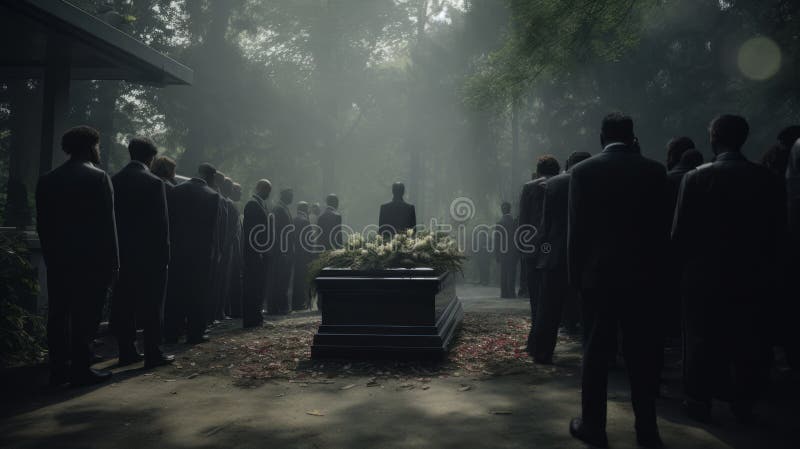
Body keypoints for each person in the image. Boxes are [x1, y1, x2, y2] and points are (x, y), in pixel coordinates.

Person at [673, 115, 786, 424]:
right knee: (749, 338)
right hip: (753, 274)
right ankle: (744, 400)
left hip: (703, 275)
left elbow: (680, 234)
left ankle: (699, 399)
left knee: (700, 338)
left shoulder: (695, 178)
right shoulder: (768, 179)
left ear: (715, 138)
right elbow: (779, 234)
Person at [568, 113, 669, 448]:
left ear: (601, 136)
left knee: (596, 354)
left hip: (597, 278)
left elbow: (576, 234)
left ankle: (594, 426)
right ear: (632, 136)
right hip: (644, 277)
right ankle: (647, 429)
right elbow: (661, 232)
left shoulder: (582, 172)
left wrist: (575, 280)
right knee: (642, 354)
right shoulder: (655, 171)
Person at [36, 126, 118, 386]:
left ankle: (58, 370)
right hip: (91, 261)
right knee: (86, 315)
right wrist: (113, 262)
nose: (99, 150)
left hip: (59, 260)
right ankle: (81, 369)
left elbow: (43, 225)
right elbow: (108, 225)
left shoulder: (47, 179)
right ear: (90, 146)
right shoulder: (98, 177)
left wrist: (51, 256)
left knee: (59, 315)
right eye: (98, 145)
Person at [109, 137, 174, 368]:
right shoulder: (154, 183)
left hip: (123, 255)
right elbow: (161, 225)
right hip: (149, 255)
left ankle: (126, 351)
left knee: (124, 304)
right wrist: (165, 257)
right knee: (152, 306)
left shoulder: (114, 180)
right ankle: (153, 352)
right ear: (151, 157)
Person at [529, 151, 591, 364]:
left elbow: (545, 226)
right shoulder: (596, 181)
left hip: (555, 255)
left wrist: (542, 252)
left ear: (567, 164)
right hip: (589, 256)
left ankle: (542, 352)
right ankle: (598, 355)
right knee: (591, 308)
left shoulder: (554, 184)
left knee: (549, 308)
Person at [164, 163, 221, 344]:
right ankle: (195, 332)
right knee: (198, 293)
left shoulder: (176, 190)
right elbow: (213, 229)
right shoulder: (212, 195)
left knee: (175, 292)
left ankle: (172, 331)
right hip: (200, 253)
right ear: (211, 177)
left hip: (177, 250)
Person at [518, 155, 560, 355]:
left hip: (533, 249)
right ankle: (545, 344)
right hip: (554, 250)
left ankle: (534, 342)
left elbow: (523, 222)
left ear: (538, 169)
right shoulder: (564, 184)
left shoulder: (529, 187)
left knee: (536, 299)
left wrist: (523, 249)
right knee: (551, 299)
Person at [242, 179, 271, 328]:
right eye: (266, 189)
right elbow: (251, 232)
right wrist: (257, 250)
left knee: (258, 285)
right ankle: (250, 317)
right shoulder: (253, 204)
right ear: (259, 188)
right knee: (252, 286)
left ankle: (256, 316)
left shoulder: (260, 204)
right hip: (254, 253)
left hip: (260, 252)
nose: (268, 193)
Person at [267, 188, 293, 315]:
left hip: (284, 249)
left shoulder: (283, 208)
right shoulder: (279, 209)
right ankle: (277, 306)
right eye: (290, 195)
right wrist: (282, 250)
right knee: (280, 279)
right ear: (285, 195)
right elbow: (276, 231)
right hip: (281, 250)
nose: (292, 197)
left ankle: (280, 306)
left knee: (283, 279)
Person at [291, 201, 313, 311]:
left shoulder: (293, 219)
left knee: (296, 278)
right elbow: (309, 240)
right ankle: (301, 302)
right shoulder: (305, 221)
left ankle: (295, 302)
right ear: (305, 209)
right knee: (303, 278)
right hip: (304, 254)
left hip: (295, 253)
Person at [494, 202, 517, 298]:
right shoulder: (514, 222)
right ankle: (511, 293)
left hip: (503, 252)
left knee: (503, 273)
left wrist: (497, 254)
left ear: (502, 210)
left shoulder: (499, 223)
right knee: (511, 272)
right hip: (513, 252)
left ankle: (504, 293)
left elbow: (497, 241)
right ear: (510, 209)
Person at [228, 182, 244, 319]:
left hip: (236, 250)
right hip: (230, 250)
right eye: (238, 191)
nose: (241, 194)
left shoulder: (234, 205)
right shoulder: (230, 204)